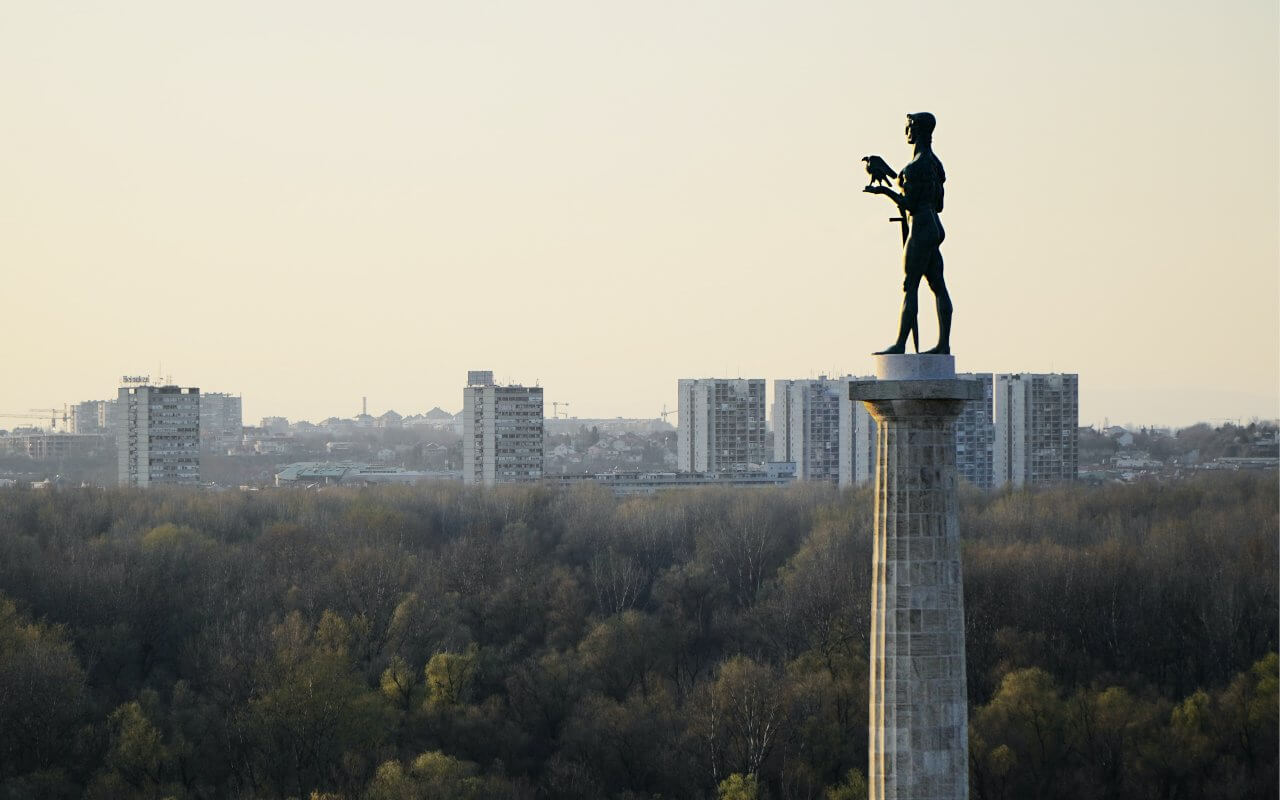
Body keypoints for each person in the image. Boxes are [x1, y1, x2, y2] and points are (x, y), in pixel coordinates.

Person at [863, 112, 952, 355]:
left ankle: (901, 344)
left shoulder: (916, 167)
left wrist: (884, 193)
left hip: (921, 227)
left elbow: (909, 203)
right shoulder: (935, 164)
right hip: (934, 225)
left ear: (919, 130)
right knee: (938, 285)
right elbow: (940, 204)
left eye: (909, 127)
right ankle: (943, 344)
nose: (907, 133)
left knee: (910, 285)